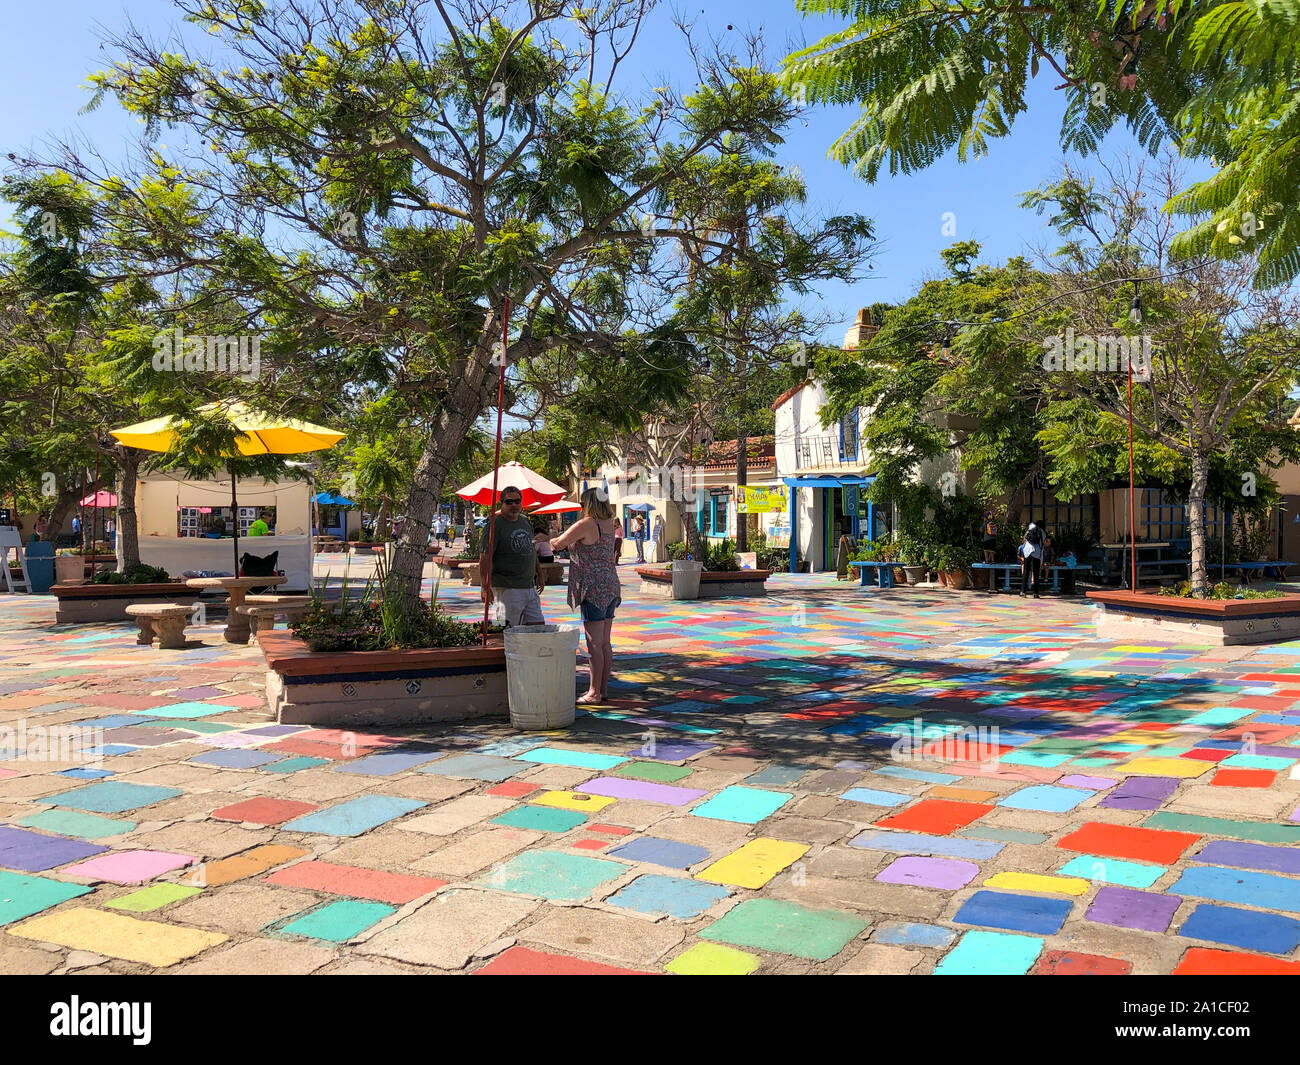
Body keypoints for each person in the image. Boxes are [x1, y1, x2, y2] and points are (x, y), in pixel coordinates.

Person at [543, 488, 621, 704]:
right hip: (610, 584)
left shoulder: (587, 523)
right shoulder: (609, 523)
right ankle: (602, 689)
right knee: (605, 642)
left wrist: (546, 538)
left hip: (592, 587)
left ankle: (594, 693)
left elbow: (557, 544)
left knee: (594, 644)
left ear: (588, 504)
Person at [480, 488, 545, 627]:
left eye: (517, 501)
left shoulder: (525, 521)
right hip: (507, 588)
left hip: (529, 586)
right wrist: (485, 587)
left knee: (538, 629)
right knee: (507, 632)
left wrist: (539, 573)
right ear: (501, 504)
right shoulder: (494, 525)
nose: (514, 505)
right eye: (509, 502)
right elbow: (485, 557)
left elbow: (530, 549)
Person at [1020, 521, 1045, 598]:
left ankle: (1023, 591)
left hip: (1027, 552)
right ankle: (1035, 593)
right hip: (1036, 553)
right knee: (1036, 572)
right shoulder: (1042, 532)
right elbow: (1043, 542)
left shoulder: (1030, 529)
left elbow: (1024, 539)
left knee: (1026, 571)